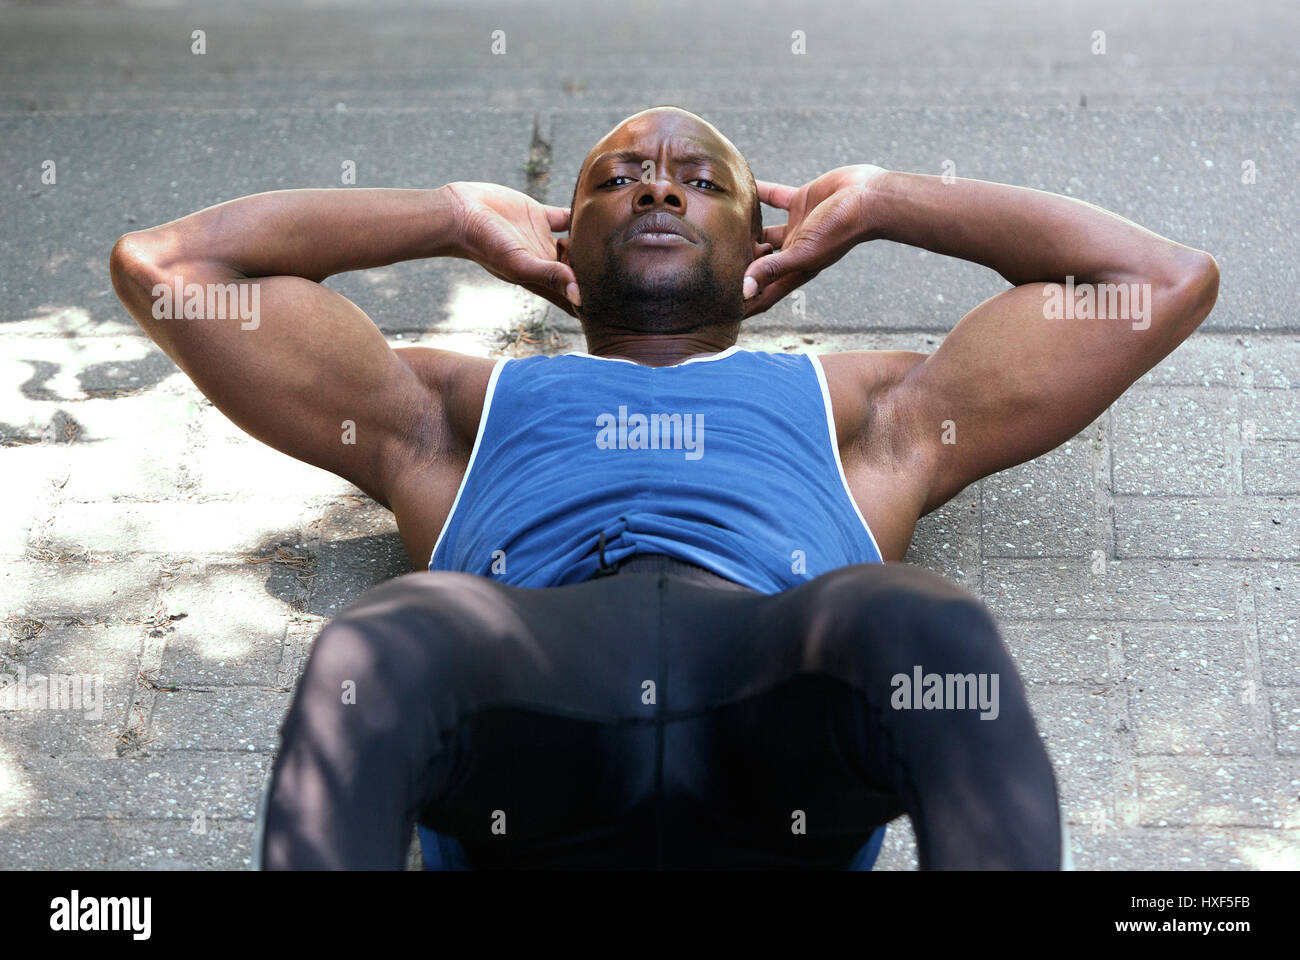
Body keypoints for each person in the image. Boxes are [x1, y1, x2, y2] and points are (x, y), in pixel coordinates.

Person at [109, 106, 1219, 869]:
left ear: (762, 251)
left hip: (774, 726)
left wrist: (887, 198)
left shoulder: (860, 411)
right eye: (615, 178)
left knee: (920, 623)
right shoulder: (450, 410)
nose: (656, 184)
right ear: (560, 240)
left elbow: (1154, 283)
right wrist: (448, 213)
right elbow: (172, 269)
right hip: (532, 730)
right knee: (389, 636)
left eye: (702, 182)